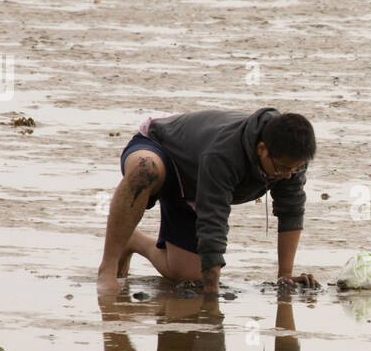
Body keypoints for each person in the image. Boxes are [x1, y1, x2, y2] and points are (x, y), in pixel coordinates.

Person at [97, 106, 319, 296]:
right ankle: (107, 269)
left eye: (295, 168)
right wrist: (212, 293)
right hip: (162, 150)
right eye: (283, 168)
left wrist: (285, 276)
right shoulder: (224, 153)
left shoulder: (291, 159)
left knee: (188, 275)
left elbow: (291, 211)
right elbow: (214, 219)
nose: (289, 175)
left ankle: (132, 241)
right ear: (262, 149)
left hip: (193, 187)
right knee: (144, 169)